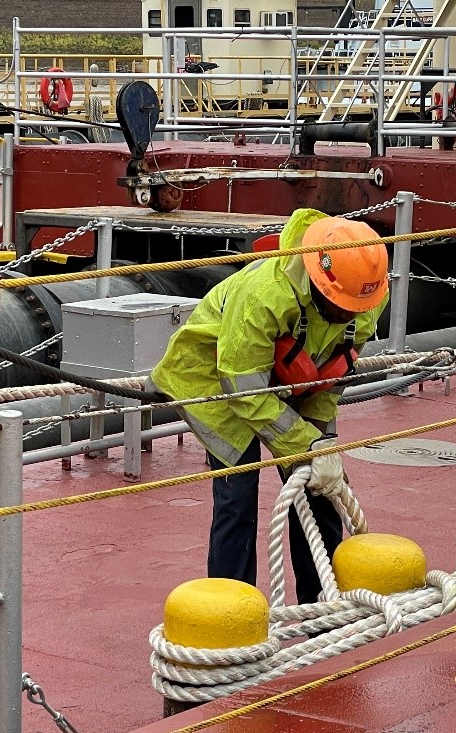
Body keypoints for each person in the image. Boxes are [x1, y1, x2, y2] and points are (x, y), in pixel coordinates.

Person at [152, 210, 388, 604]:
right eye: (340, 306)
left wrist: (320, 444)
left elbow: (330, 375)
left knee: (321, 492)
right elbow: (243, 388)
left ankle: (321, 610)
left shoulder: (362, 295)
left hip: (283, 383)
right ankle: (232, 614)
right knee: (238, 496)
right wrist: (306, 443)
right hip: (215, 380)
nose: (348, 315)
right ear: (317, 279)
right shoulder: (264, 296)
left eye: (354, 308)